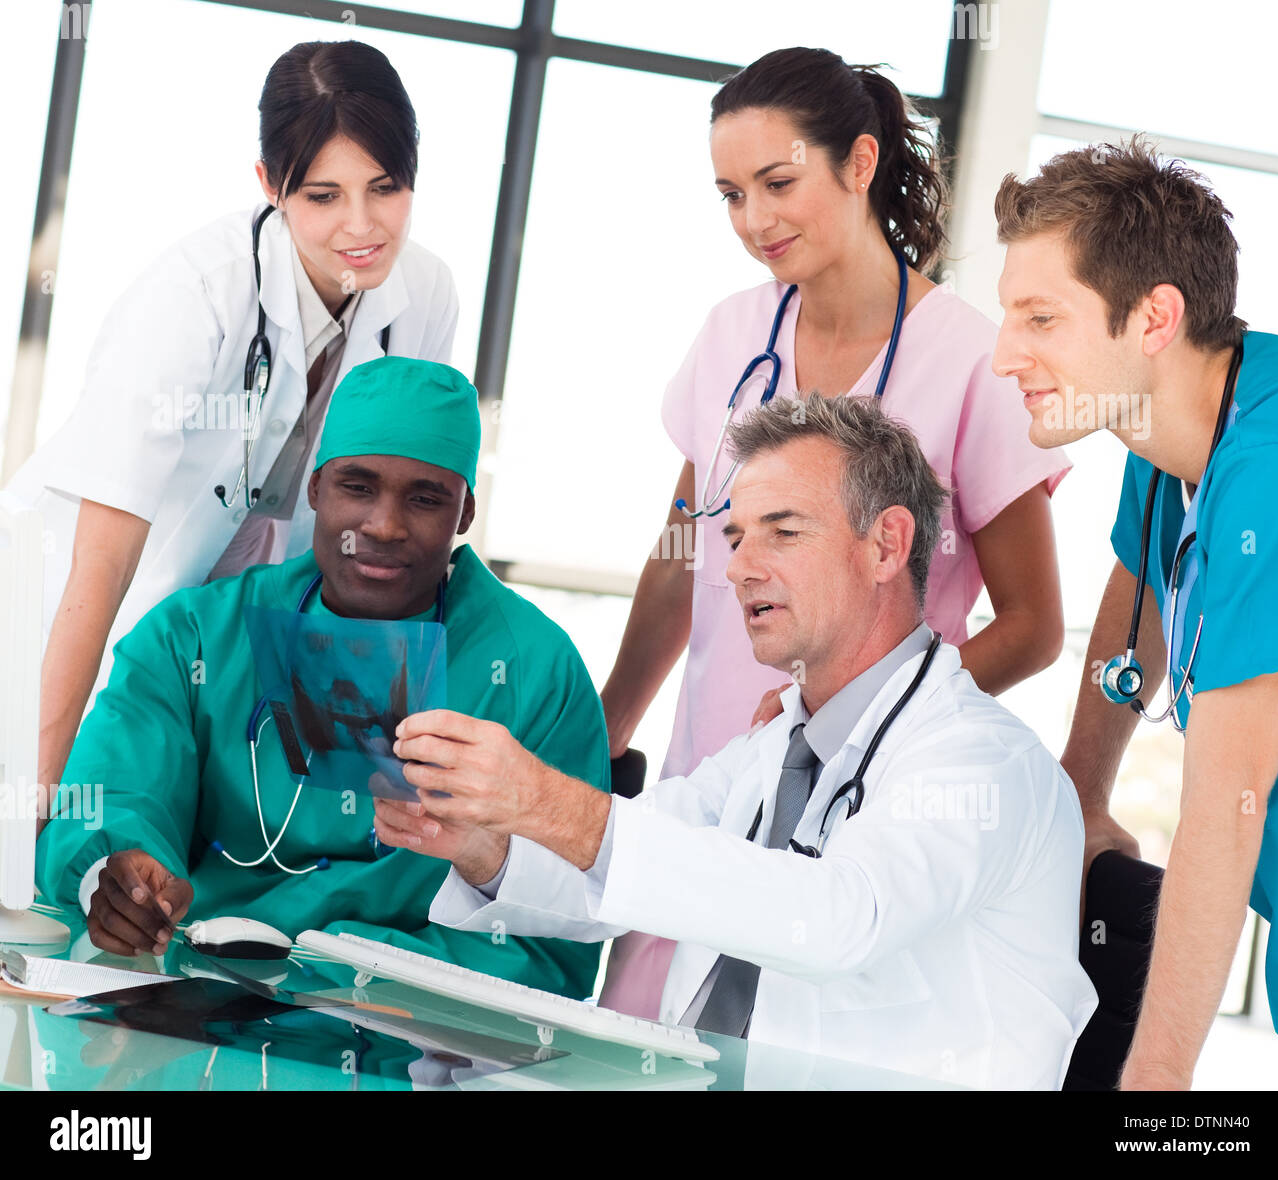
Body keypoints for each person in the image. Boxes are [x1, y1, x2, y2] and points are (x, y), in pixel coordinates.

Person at [376, 395, 1097, 1089]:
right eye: (735, 536)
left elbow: (836, 918)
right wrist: (485, 846)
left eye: (782, 532)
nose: (738, 568)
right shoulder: (776, 745)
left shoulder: (983, 764)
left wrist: (548, 800)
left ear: (887, 544)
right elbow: (626, 869)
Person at [598, 46, 1071, 1017]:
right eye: (730, 195)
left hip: (863, 804)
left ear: (859, 163)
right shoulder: (732, 334)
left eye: (778, 183)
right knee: (636, 1046)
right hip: (706, 780)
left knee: (792, 1036)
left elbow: (1033, 624)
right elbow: (681, 550)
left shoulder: (972, 362)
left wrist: (863, 727)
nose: (754, 221)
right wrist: (605, 723)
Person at [36, 358, 610, 1001]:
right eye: (356, 487)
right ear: (314, 489)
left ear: (466, 510)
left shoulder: (533, 671)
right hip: (183, 989)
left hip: (404, 1034)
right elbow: (113, 794)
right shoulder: (197, 635)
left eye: (425, 498)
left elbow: (552, 945)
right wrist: (118, 880)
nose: (384, 525)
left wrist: (339, 974)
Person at [5, 40, 458, 803]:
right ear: (270, 187)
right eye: (322, 196)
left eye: (385, 187)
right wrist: (35, 790)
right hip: (62, 612)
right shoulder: (197, 294)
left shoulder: (425, 294)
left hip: (234, 629)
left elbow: (390, 524)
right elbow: (104, 560)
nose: (361, 225)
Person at [992, 138, 1278, 1088]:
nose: (1006, 355)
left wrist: (1154, 1083)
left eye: (1041, 318)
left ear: (1155, 317)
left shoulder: (1277, 466)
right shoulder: (1165, 428)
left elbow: (1227, 798)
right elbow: (1140, 587)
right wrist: (1082, 791)